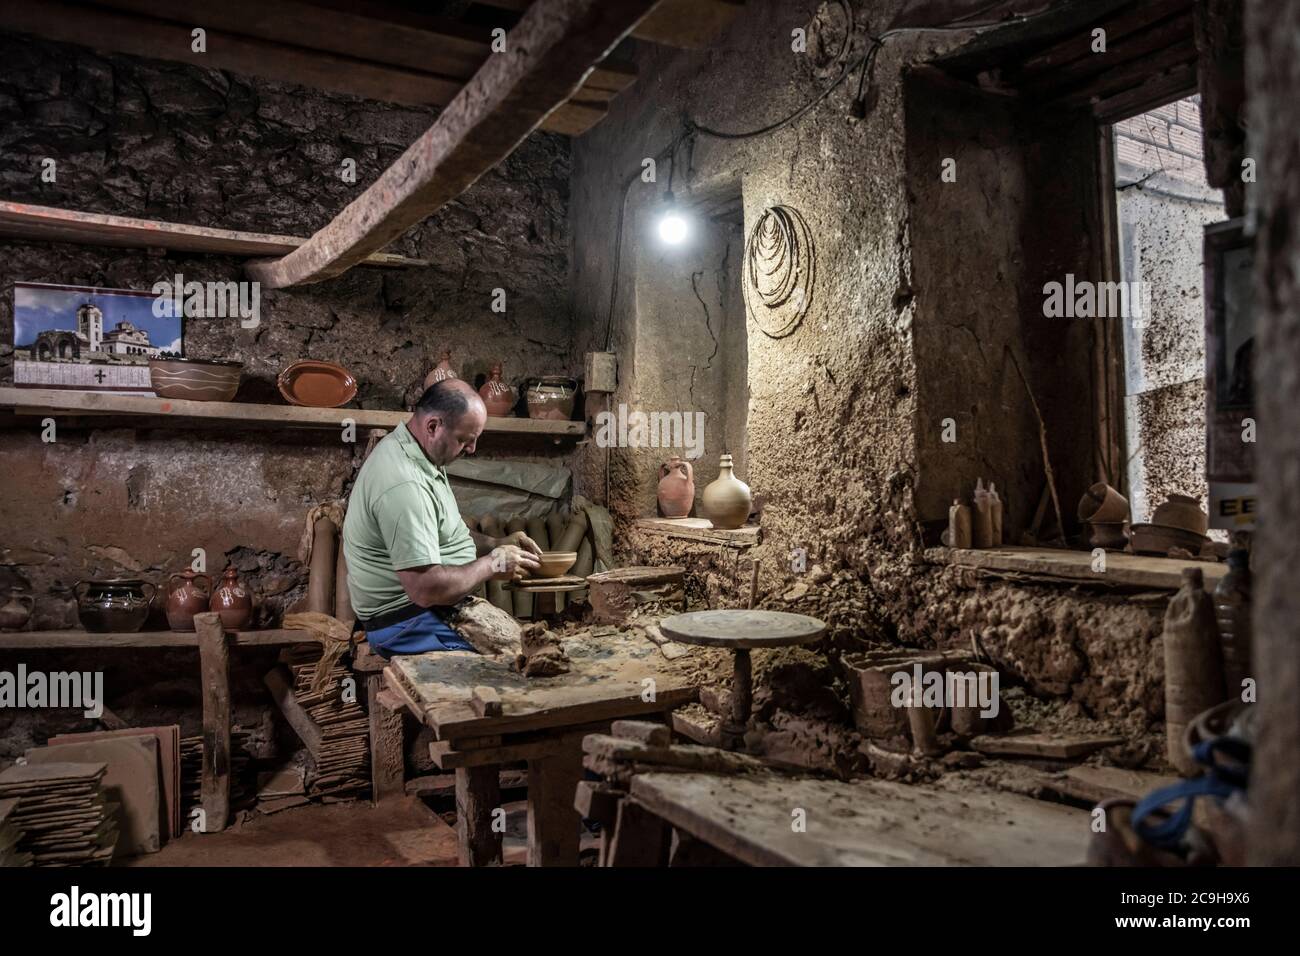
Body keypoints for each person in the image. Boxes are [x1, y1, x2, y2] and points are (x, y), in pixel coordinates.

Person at [342, 378, 540, 656]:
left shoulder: (420, 453)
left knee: (535, 645)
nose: (471, 450)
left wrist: (497, 543)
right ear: (433, 426)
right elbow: (425, 589)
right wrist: (492, 565)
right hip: (405, 622)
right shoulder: (404, 484)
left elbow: (442, 532)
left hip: (428, 611)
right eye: (464, 440)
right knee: (522, 664)